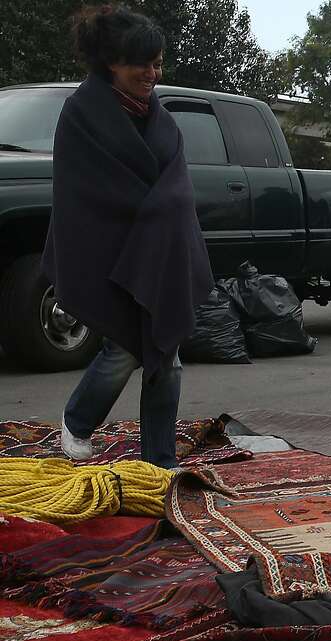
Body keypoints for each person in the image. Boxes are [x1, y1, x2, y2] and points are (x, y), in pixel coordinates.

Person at [51, 5, 212, 470]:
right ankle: (77, 421)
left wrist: (165, 211)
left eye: (157, 63)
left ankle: (158, 461)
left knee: (166, 353)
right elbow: (81, 191)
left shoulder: (159, 116)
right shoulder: (81, 114)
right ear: (110, 63)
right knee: (124, 348)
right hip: (111, 253)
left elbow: (176, 182)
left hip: (160, 253)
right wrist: (152, 207)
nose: (151, 74)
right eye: (140, 64)